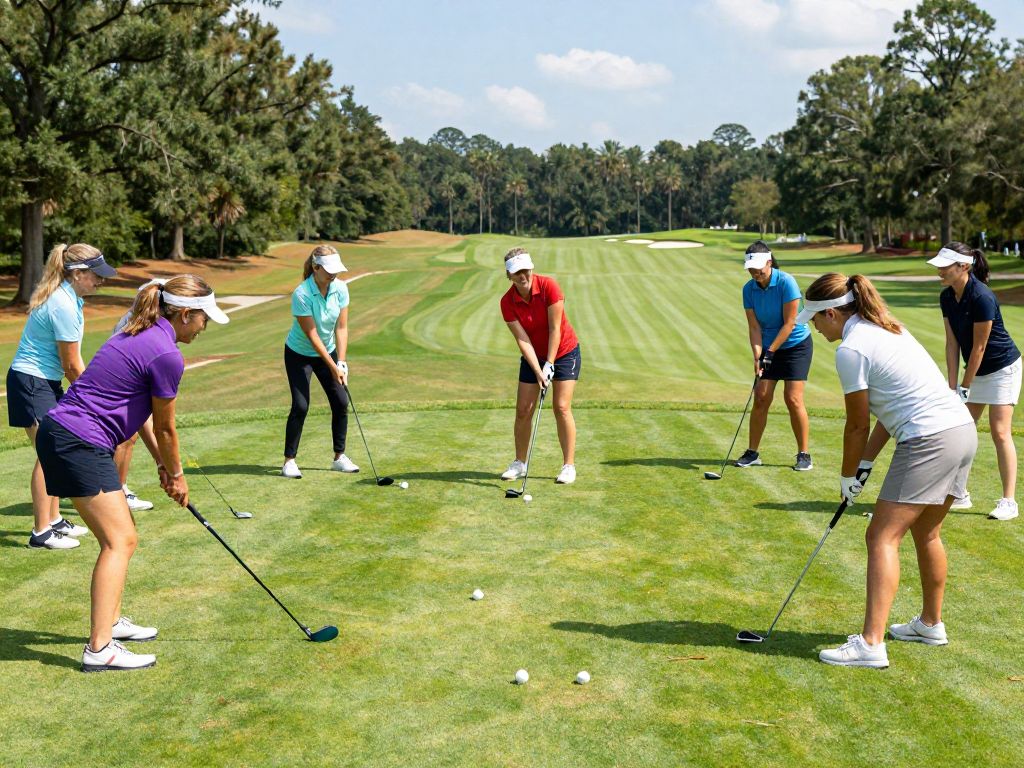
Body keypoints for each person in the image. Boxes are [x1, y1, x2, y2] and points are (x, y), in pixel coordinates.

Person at [34, 274, 229, 671]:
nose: (205, 326)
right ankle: (100, 648)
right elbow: (167, 427)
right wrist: (176, 474)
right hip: (79, 442)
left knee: (121, 538)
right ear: (186, 314)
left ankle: (111, 623)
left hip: (69, 436)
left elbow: (139, 414)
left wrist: (161, 463)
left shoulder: (134, 332)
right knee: (119, 541)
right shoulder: (166, 354)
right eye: (203, 318)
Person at [799, 273, 976, 669]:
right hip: (961, 431)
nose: (813, 326)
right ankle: (930, 623)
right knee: (926, 530)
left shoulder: (852, 350)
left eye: (815, 319)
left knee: (881, 535)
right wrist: (864, 464)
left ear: (831, 313)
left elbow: (857, 425)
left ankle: (870, 643)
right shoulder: (887, 328)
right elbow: (888, 412)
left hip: (929, 439)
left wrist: (846, 477)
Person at [5, 243, 117, 549]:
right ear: (78, 274)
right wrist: (92, 399)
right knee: (49, 453)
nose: (100, 281)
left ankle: (54, 520)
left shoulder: (71, 299)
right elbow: (71, 364)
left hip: (43, 382)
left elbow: (71, 362)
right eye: (95, 275)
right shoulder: (63, 305)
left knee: (54, 450)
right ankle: (41, 532)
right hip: (31, 382)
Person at [930, 242, 1021, 521]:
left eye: (946, 266)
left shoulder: (982, 297)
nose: (940, 271)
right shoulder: (947, 297)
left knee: (1000, 432)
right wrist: (952, 385)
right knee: (961, 429)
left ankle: (1009, 502)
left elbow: (979, 348)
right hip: (976, 368)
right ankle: (960, 494)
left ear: (964, 267)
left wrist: (965, 388)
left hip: (1002, 368)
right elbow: (952, 342)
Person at [499, 247, 580, 485]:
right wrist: (538, 369)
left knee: (561, 407)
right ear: (509, 275)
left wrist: (550, 364)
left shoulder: (549, 287)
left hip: (564, 352)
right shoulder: (507, 302)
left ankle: (568, 466)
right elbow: (522, 339)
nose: (522, 276)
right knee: (524, 409)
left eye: (525, 270)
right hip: (534, 355)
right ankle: (519, 463)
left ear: (531, 268)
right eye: (516, 273)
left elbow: (555, 329)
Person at [735, 241, 814, 471]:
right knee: (761, 396)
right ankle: (752, 453)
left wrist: (770, 352)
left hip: (795, 345)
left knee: (793, 398)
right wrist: (758, 356)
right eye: (751, 268)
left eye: (758, 268)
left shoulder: (786, 282)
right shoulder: (748, 289)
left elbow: (790, 323)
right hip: (768, 346)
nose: (755, 273)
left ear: (769, 262)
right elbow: (754, 328)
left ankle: (804, 454)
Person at [282, 245, 358, 478]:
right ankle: (289, 462)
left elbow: (342, 328)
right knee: (301, 405)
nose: (333, 274)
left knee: (340, 401)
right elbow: (313, 336)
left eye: (336, 269)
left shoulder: (341, 289)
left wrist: (341, 362)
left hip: (330, 351)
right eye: (328, 270)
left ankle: (339, 457)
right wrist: (332, 366)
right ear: (315, 267)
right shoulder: (302, 294)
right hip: (299, 354)